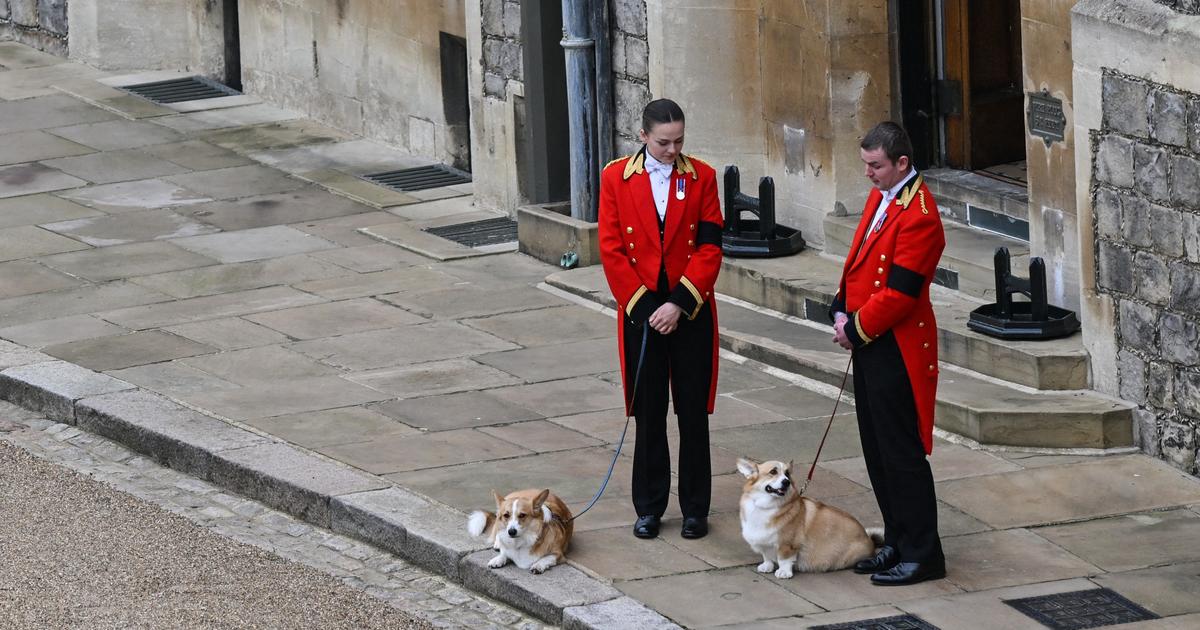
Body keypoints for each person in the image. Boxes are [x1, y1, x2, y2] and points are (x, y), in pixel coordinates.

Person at [597, 99, 723, 540]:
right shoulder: (615, 177)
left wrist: (679, 304)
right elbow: (611, 249)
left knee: (692, 414)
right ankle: (649, 506)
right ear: (644, 137)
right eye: (664, 142)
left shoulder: (702, 177)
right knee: (649, 412)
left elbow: (710, 247)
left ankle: (695, 509)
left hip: (689, 310)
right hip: (642, 313)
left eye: (680, 141)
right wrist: (648, 307)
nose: (673, 150)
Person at [830, 121, 947, 586]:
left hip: (896, 348)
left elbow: (900, 294)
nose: (868, 174)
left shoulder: (919, 212)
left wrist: (854, 329)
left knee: (901, 454)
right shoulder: (883, 197)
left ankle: (924, 552)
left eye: (875, 166)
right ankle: (897, 539)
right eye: (865, 165)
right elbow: (859, 261)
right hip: (870, 341)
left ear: (901, 163)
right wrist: (841, 307)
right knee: (877, 450)